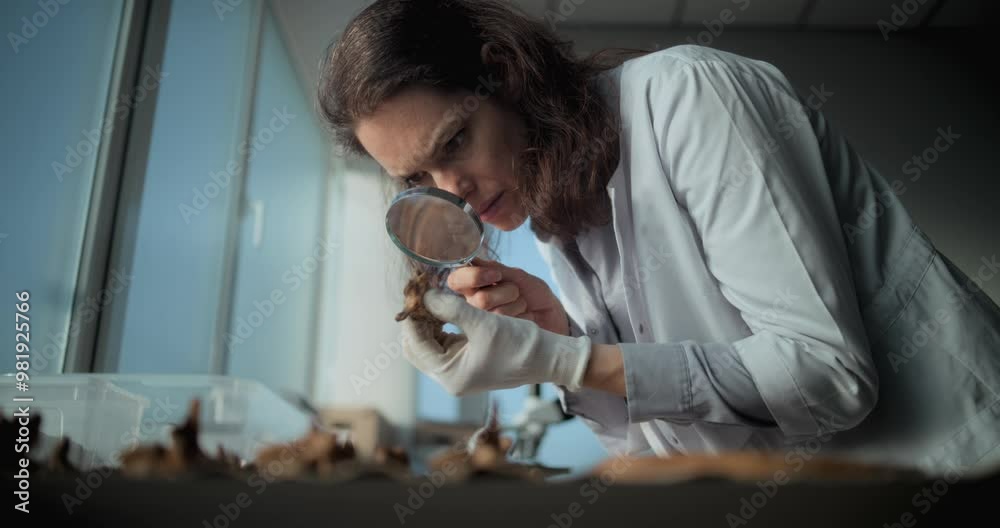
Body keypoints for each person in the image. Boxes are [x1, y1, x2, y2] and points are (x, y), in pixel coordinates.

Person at [317, 0, 1000, 477]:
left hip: (961, 461)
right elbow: (665, 443)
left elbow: (828, 376)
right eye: (420, 176)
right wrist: (558, 339)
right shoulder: (559, 215)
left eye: (456, 140)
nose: (452, 187)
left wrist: (574, 365)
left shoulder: (686, 97)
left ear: (505, 75)